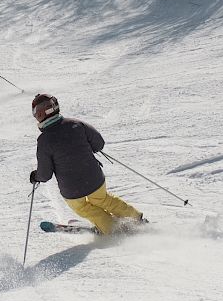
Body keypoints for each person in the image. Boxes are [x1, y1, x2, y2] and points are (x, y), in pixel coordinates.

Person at [28, 94, 145, 235]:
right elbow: (99, 143)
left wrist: (36, 176)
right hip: (94, 179)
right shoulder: (75, 124)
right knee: (104, 200)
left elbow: (45, 174)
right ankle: (135, 218)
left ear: (40, 114)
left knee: (84, 208)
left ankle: (111, 228)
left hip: (72, 189)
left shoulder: (44, 141)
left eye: (36, 113)